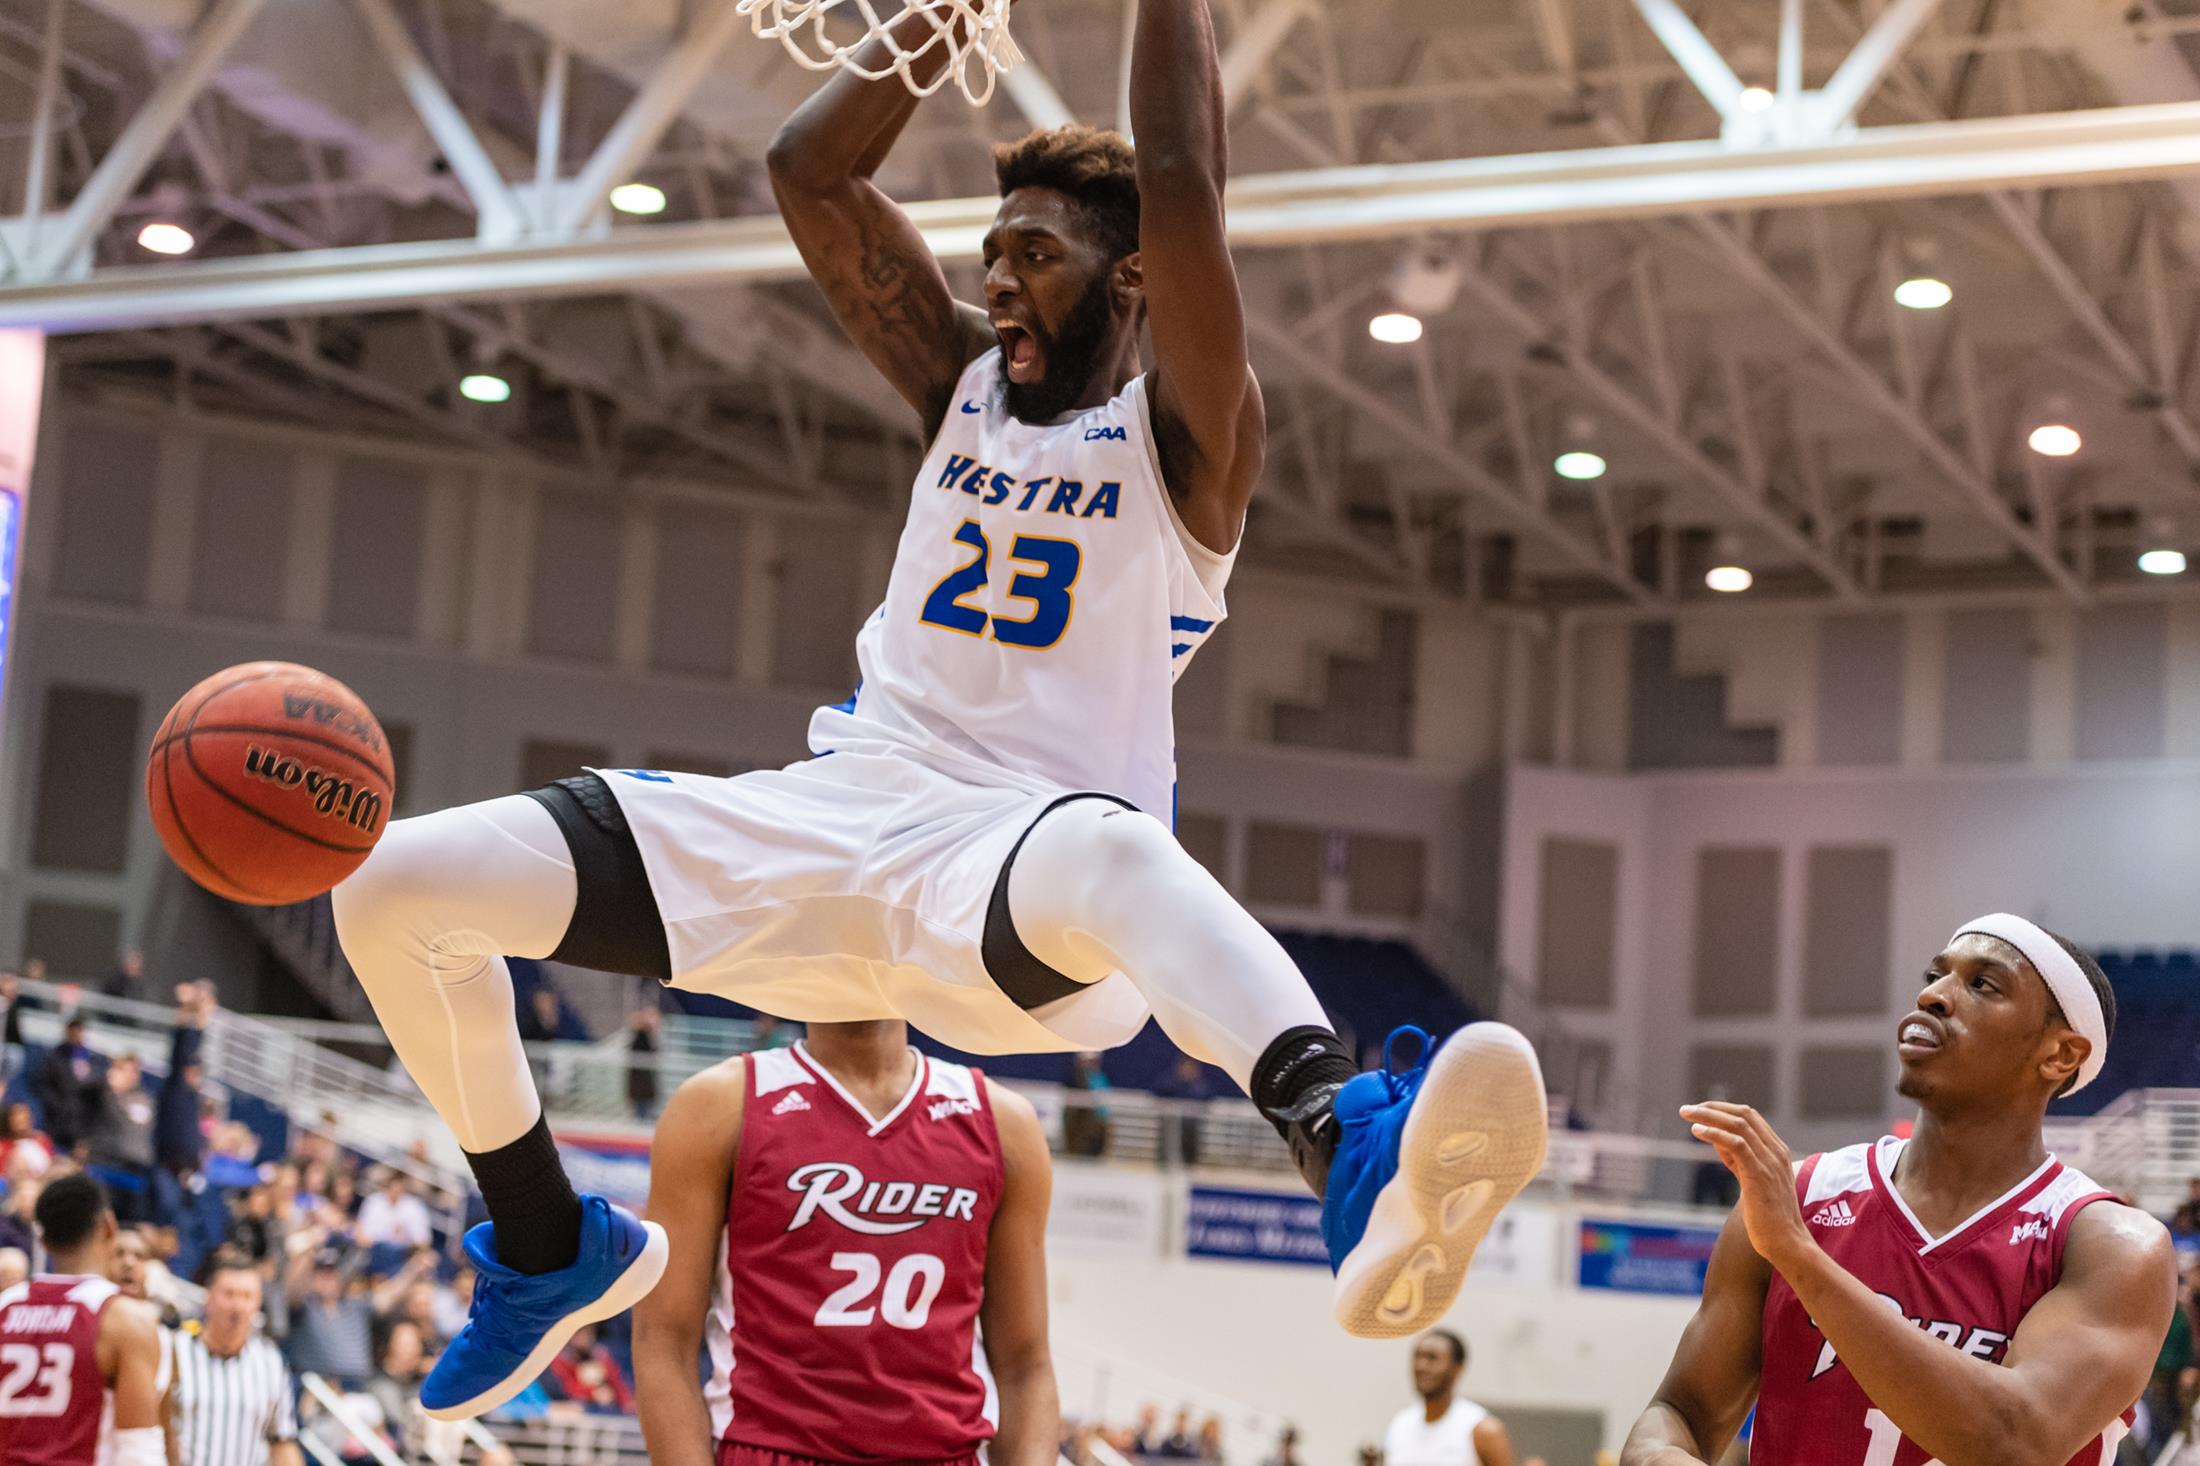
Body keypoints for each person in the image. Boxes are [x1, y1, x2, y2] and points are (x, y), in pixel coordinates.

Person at [324, 0, 1547, 1419]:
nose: (1002, 279)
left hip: (1025, 887)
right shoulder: (960, 384)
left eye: (1037, 253)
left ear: (1134, 275)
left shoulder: (1186, 441)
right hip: (836, 818)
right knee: (391, 885)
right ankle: (546, 1242)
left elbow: (1184, 178)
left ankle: (1337, 1133)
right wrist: (929, 20)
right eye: (992, 255)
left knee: (1115, 847)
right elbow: (809, 173)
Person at [1622, 914, 2178, 1466]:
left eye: (1982, 984)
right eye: (1934, 976)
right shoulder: (1803, 1197)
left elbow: (2015, 1443)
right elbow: (1678, 1414)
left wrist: (1797, 1254)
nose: (1933, 995)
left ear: (2059, 1055)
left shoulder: (2111, 1245)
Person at [634, 1020, 1058, 1466]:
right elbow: (663, 1340)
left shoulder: (1004, 1122)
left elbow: (1026, 1364)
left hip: (943, 1452)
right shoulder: (719, 1103)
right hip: (774, 1448)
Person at [0, 1173, 163, 1466]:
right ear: (109, 1225)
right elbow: (139, 1451)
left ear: (42, 1238)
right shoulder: (124, 1318)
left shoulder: (4, 1306)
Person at [1379, 1331, 1512, 1466]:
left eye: (1432, 1358)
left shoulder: (1482, 1430)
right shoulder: (1400, 1424)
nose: (1421, 1366)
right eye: (1417, 1356)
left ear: (1457, 1368)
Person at [30, 1020, 100, 1156]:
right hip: (58, 1117)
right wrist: (57, 1104)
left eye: (78, 1032)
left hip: (81, 1120)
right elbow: (41, 1084)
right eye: (72, 1033)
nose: (76, 1036)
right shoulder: (54, 1057)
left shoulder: (92, 1060)